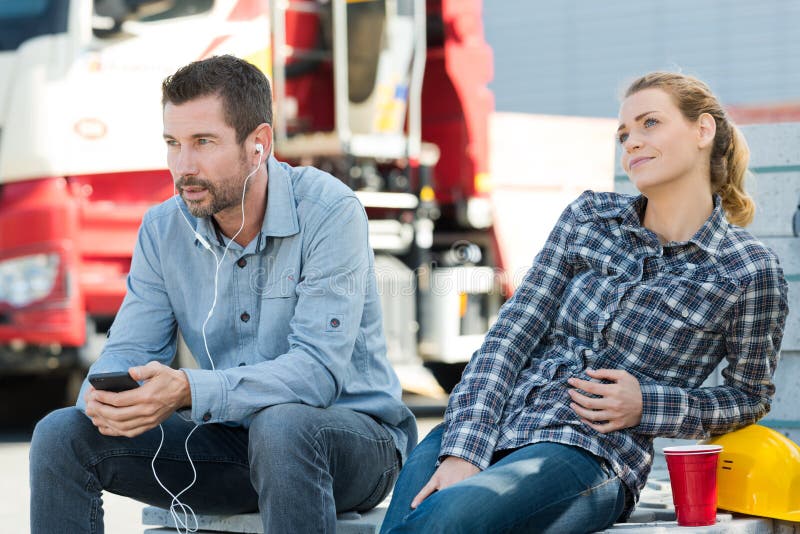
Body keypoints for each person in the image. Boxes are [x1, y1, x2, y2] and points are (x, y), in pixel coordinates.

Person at [380, 71, 789, 533]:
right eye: (624, 134)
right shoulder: (589, 218)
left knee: (446, 521)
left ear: (703, 130)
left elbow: (748, 396)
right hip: (489, 421)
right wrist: (464, 451)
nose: (632, 142)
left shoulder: (748, 271)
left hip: (590, 453)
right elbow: (510, 336)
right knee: (415, 518)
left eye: (649, 123)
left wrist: (649, 405)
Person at [29, 55, 417, 533]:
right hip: (230, 447)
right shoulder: (162, 228)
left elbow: (317, 373)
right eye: (173, 143)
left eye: (203, 143)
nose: (184, 166)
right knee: (60, 435)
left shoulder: (330, 212)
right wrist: (107, 400)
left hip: (351, 444)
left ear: (259, 144)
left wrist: (188, 390)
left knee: (282, 427)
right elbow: (127, 351)